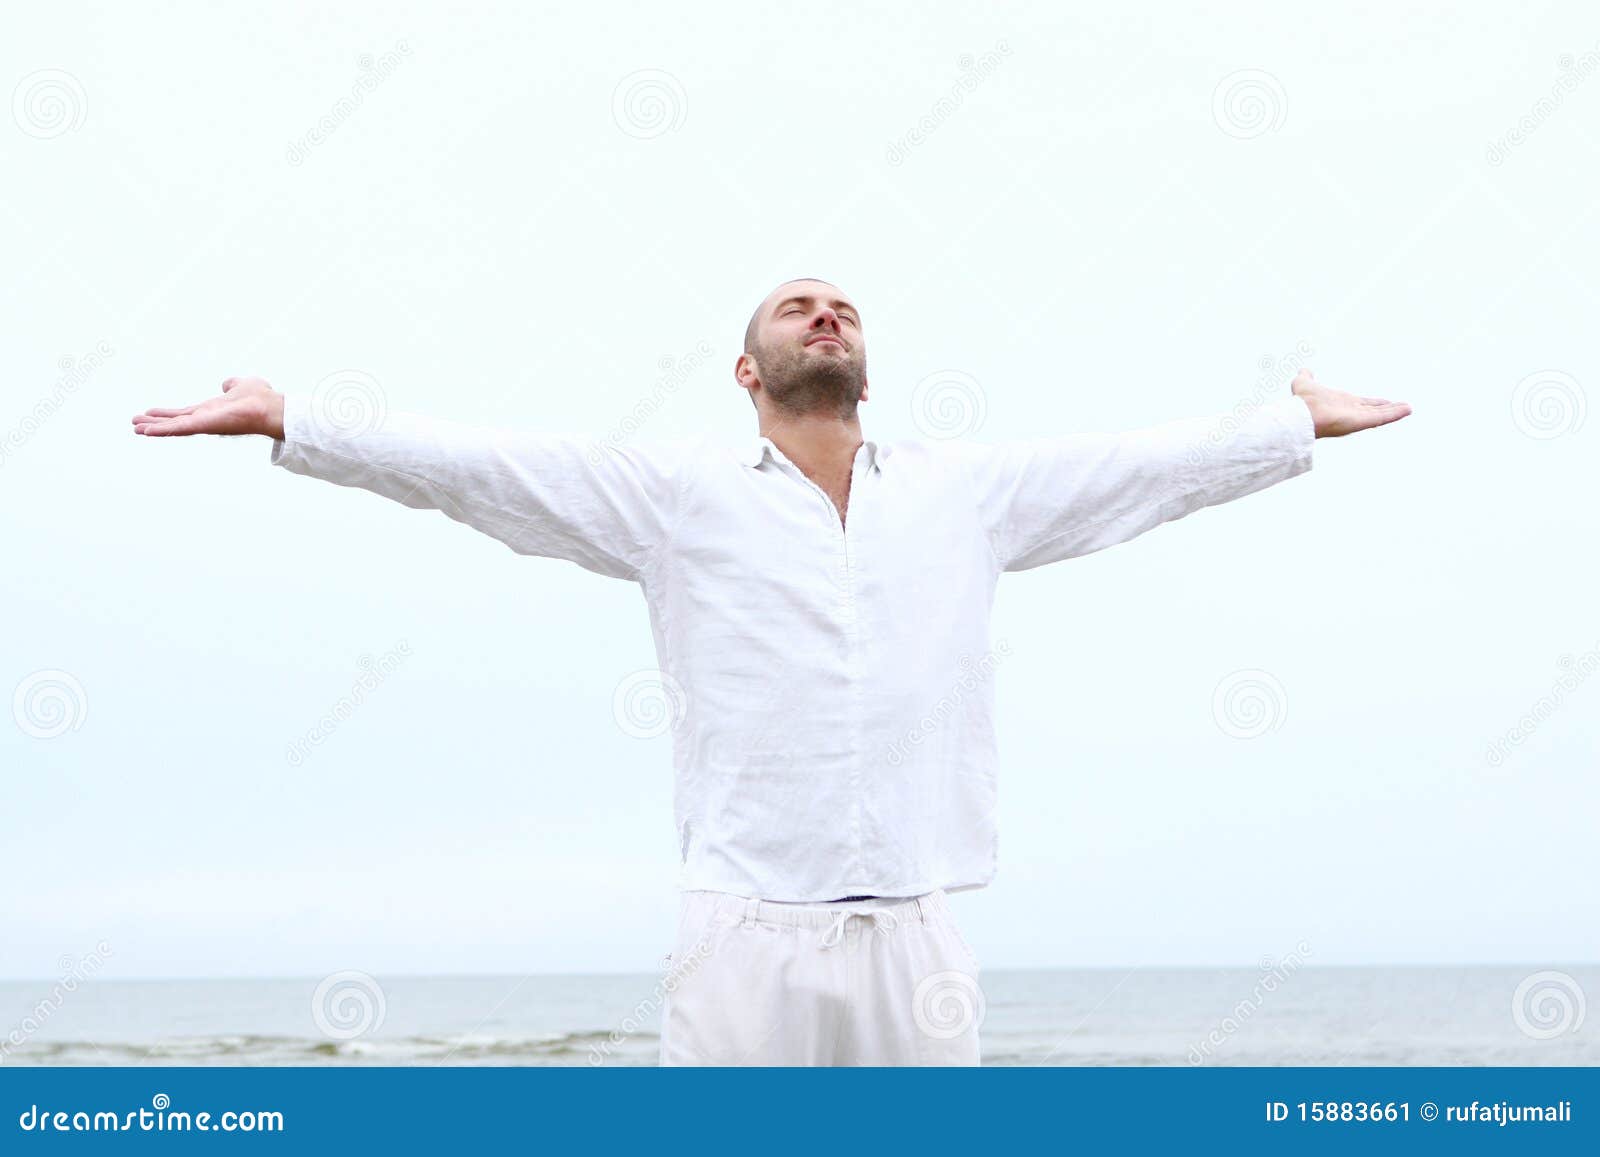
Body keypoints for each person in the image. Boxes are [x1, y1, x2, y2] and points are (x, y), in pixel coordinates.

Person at [131, 277, 1412, 1065]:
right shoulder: (673, 497)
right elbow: (481, 469)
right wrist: (296, 419)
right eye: (797, 307)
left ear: (865, 363)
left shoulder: (964, 496)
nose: (827, 314)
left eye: (843, 307)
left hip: (916, 924)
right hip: (744, 927)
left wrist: (1294, 419)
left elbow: (1140, 469)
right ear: (751, 371)